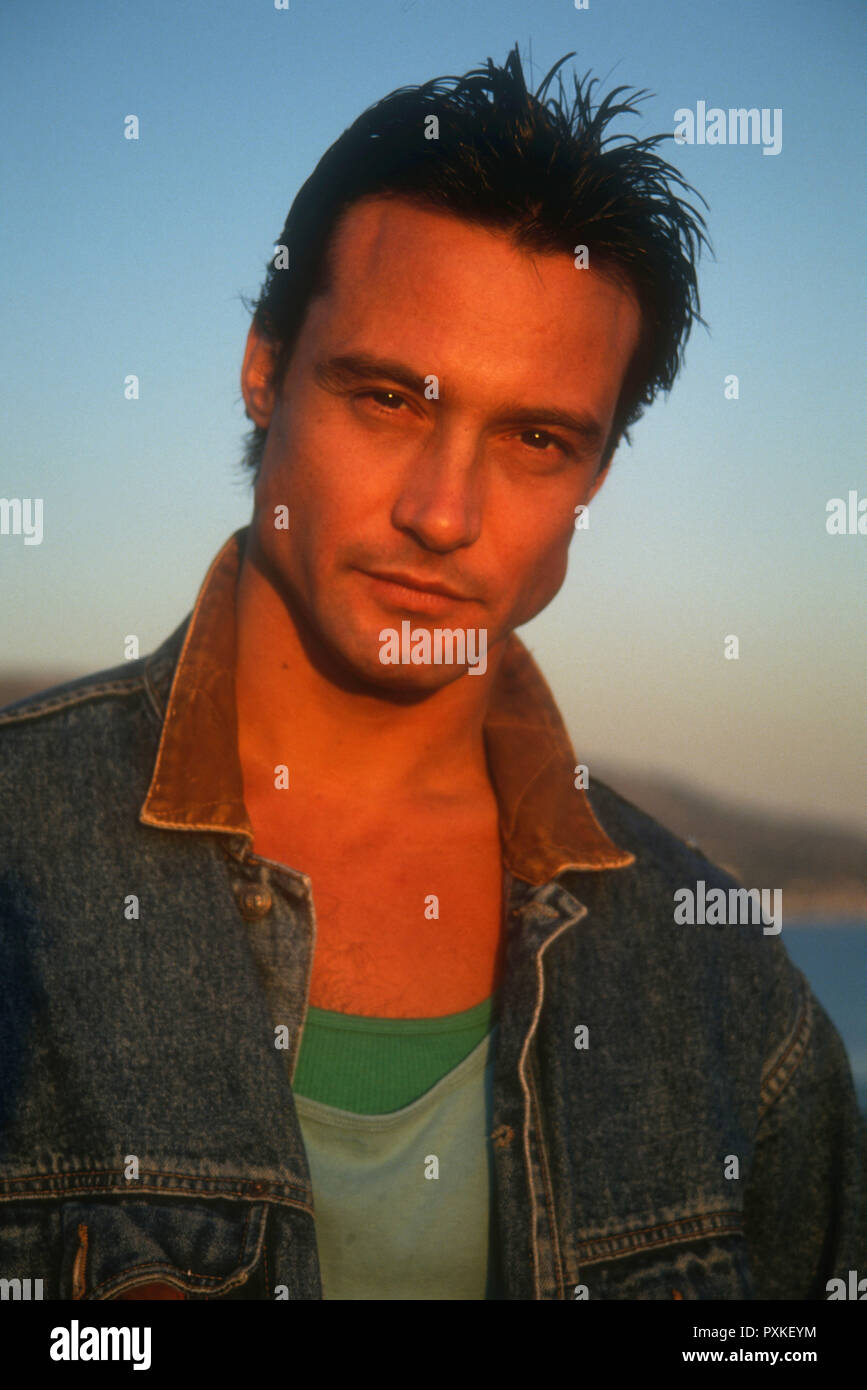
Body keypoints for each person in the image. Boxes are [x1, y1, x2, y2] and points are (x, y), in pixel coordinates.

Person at [0, 46, 863, 1302]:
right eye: (392, 397)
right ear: (264, 368)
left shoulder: (725, 987)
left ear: (594, 478)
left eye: (535, 437)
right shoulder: (19, 862)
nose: (445, 514)